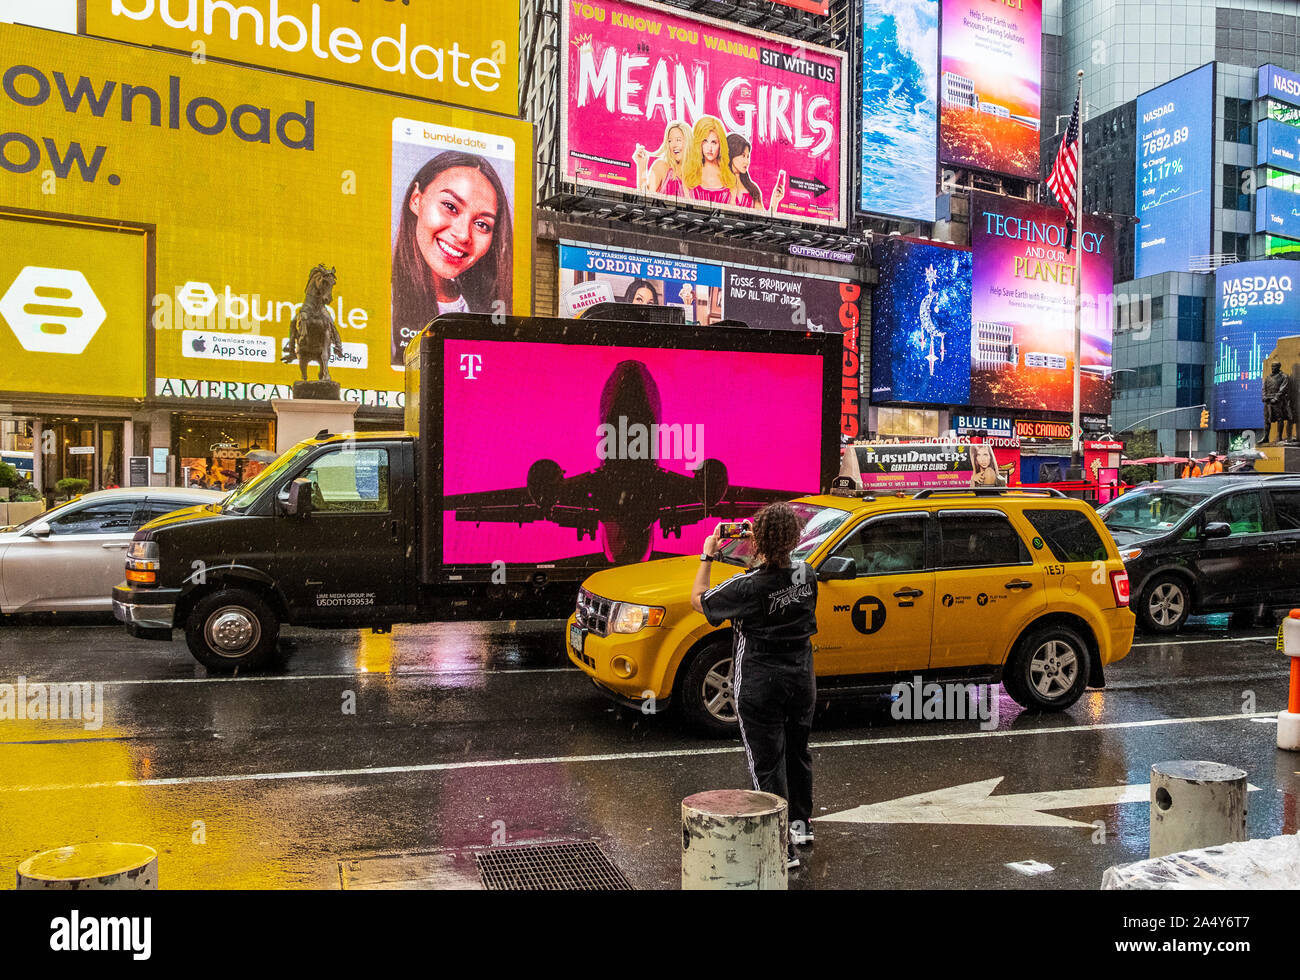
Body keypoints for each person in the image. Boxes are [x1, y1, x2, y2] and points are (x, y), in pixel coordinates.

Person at [690, 502, 818, 870]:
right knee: (797, 751)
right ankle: (800, 826)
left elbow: (699, 600)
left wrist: (707, 556)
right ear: (794, 538)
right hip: (800, 677)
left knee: (766, 763)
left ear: (758, 538)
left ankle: (780, 846)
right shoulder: (806, 574)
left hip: (761, 680)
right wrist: (764, 550)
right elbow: (777, 579)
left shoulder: (747, 586)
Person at [391, 151, 514, 364]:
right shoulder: (386, 302)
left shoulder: (487, 310)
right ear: (416, 200)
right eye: (450, 207)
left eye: (482, 224)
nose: (463, 235)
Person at [726, 133, 788, 215]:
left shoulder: (753, 189)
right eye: (743, 156)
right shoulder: (719, 183)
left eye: (748, 156)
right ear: (731, 155)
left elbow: (763, 219)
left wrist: (775, 201)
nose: (747, 162)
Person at [682, 116, 737, 205]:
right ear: (698, 143)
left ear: (720, 145)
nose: (709, 148)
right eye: (705, 141)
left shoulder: (729, 179)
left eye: (714, 142)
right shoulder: (689, 175)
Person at [633, 121, 689, 198]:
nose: (674, 145)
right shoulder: (661, 165)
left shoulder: (695, 172)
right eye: (670, 141)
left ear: (688, 142)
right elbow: (644, 197)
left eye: (678, 140)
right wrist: (641, 166)